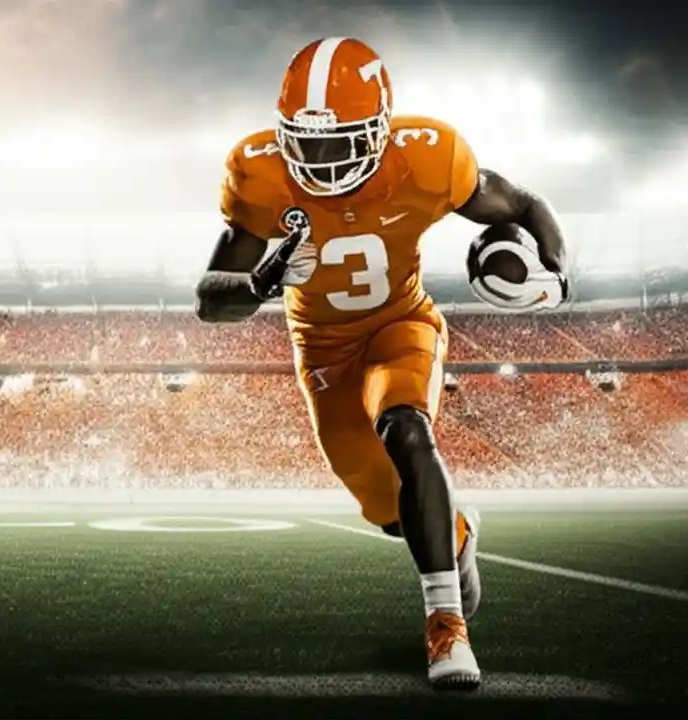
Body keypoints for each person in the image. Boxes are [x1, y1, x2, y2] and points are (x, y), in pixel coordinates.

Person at [194, 37, 569, 688]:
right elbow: (210, 302)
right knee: (389, 511)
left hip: (401, 322)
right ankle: (453, 533)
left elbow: (524, 204)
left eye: (340, 142)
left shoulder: (427, 157)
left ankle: (445, 626)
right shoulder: (256, 173)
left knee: (407, 426)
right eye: (304, 143)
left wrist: (559, 273)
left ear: (381, 130)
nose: (319, 160)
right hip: (323, 350)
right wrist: (260, 283)